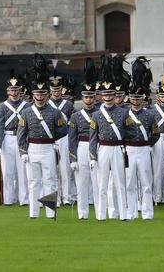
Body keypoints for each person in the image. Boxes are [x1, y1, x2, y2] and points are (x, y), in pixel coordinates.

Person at [17, 80, 67, 219]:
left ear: (47, 95)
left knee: (50, 180)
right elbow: (21, 134)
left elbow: (63, 130)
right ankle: (33, 213)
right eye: (37, 94)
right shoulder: (26, 112)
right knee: (33, 182)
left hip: (48, 149)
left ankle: (50, 212)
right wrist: (23, 151)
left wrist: (49, 139)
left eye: (42, 94)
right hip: (32, 149)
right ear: (33, 95)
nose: (40, 97)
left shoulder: (55, 113)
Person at [89, 81, 133, 221]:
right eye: (105, 94)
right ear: (101, 96)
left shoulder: (124, 113)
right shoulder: (96, 115)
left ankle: (123, 214)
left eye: (110, 94)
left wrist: (126, 150)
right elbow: (93, 137)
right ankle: (101, 215)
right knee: (102, 184)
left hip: (118, 149)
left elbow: (130, 132)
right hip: (103, 149)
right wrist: (92, 156)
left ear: (115, 96)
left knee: (120, 182)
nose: (108, 97)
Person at [124, 84, 159, 220]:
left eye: (138, 99)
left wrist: (149, 144)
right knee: (129, 182)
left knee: (146, 182)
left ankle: (147, 213)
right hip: (129, 149)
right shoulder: (125, 114)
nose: (136, 101)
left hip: (144, 149)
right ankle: (131, 212)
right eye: (134, 98)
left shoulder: (149, 115)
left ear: (142, 99)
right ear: (130, 99)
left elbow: (155, 133)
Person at [68, 76, 100, 220]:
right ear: (82, 97)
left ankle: (100, 212)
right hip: (81, 147)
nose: (88, 100)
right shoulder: (75, 116)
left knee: (99, 182)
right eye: (86, 97)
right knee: (81, 182)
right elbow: (72, 138)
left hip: (98, 147)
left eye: (91, 97)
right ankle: (82, 213)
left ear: (94, 97)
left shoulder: (100, 114)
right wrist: (72, 157)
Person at [0, 77, 31, 206]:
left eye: (16, 90)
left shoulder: (27, 106)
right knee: (7, 171)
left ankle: (24, 199)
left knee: (23, 171)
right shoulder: (2, 107)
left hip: (23, 139)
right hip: (7, 138)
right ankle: (9, 198)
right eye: (11, 90)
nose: (14, 93)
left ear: (20, 90)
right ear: (7, 91)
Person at [48, 75, 77, 206]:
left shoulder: (69, 105)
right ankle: (56, 198)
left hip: (65, 137)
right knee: (52, 170)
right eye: (54, 91)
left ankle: (67, 197)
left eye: (58, 90)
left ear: (61, 90)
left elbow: (73, 122)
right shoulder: (46, 104)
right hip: (50, 138)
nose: (56, 93)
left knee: (66, 169)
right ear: (50, 91)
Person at [150, 83, 164, 204]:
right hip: (158, 139)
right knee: (158, 170)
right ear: (157, 97)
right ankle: (157, 197)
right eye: (162, 96)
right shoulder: (152, 110)